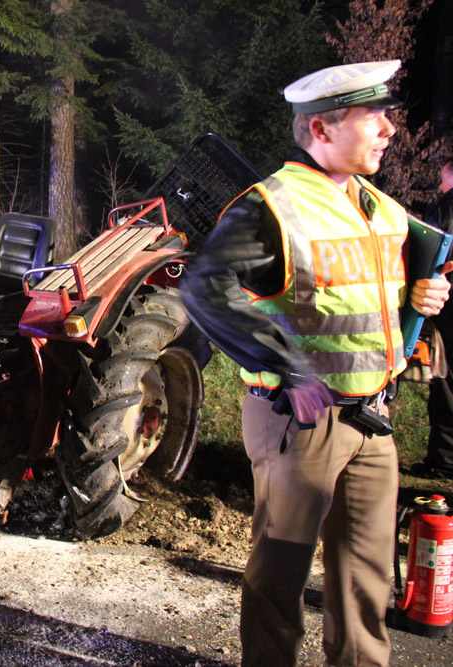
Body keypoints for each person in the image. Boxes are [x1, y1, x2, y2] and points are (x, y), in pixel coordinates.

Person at [180, 60, 453, 667]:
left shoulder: (382, 209)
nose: (389, 130)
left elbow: (365, 296)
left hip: (373, 420)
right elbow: (204, 288)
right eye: (373, 117)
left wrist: (420, 297)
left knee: (366, 581)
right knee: (280, 576)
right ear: (323, 129)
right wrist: (288, 366)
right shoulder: (272, 207)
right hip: (300, 422)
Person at [423, 160, 453, 477]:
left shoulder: (448, 208)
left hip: (447, 307)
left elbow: (435, 253)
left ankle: (444, 461)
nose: (440, 188)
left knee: (445, 382)